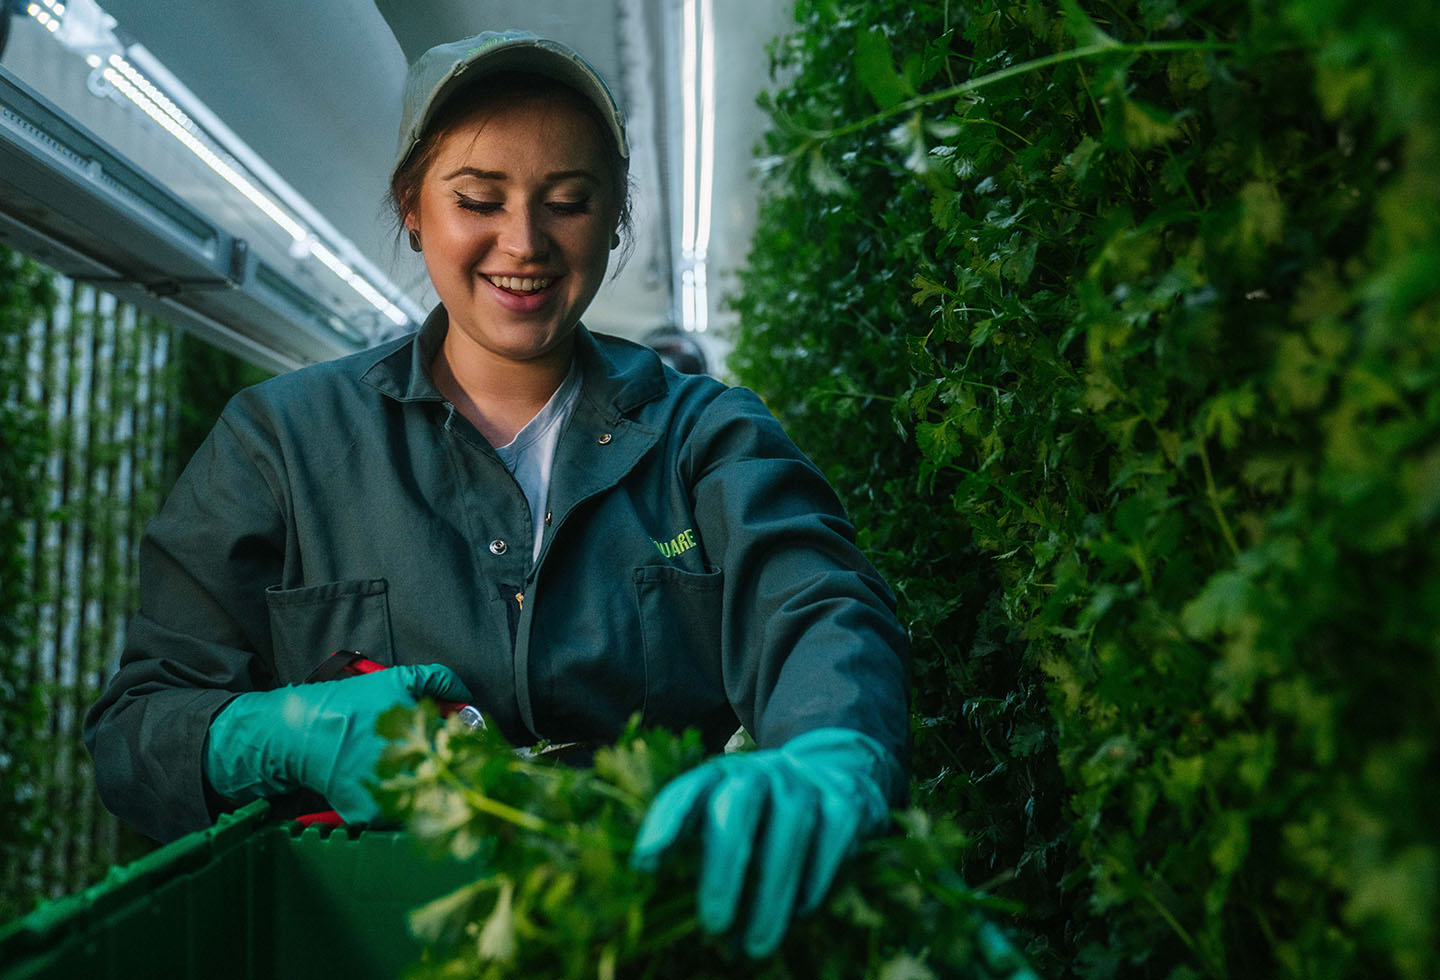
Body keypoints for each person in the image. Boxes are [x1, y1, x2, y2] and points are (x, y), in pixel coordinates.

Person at [83, 30, 909, 957]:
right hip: (375, 942)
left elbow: (819, 600)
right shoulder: (280, 443)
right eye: (478, 199)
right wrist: (267, 735)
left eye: (568, 203)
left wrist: (833, 752)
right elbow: (135, 727)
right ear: (412, 208)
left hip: (648, 941)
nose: (524, 244)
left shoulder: (704, 437)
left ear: (613, 221)